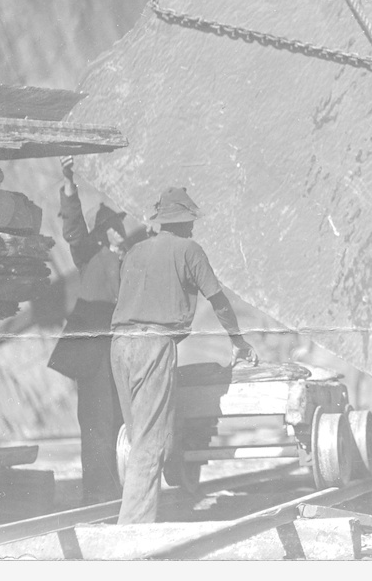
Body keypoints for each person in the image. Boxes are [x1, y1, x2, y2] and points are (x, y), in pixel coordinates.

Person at [111, 186, 258, 524]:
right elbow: (218, 300)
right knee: (150, 442)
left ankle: (134, 517)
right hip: (153, 345)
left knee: (137, 436)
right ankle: (132, 531)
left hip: (119, 345)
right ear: (183, 221)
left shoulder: (134, 251)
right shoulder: (189, 249)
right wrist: (238, 341)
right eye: (190, 220)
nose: (193, 227)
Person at [47, 155, 126, 504]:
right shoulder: (89, 254)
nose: (121, 231)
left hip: (121, 355)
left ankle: (119, 492)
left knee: (121, 423)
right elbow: (74, 229)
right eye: (115, 226)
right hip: (94, 354)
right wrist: (68, 185)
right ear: (103, 230)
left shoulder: (132, 260)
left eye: (120, 226)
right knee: (96, 424)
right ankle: (98, 497)